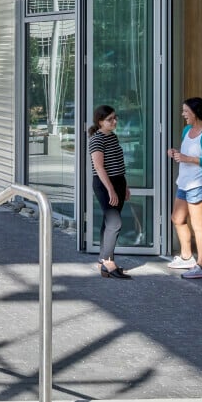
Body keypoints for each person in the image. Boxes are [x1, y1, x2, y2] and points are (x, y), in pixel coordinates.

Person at [169, 96, 202, 279]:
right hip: (184, 182)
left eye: (186, 111)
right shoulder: (187, 130)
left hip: (199, 184)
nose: (183, 114)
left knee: (198, 225)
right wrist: (176, 153)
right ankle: (186, 258)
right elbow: (188, 153)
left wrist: (187, 159)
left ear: (196, 113)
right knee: (177, 219)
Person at [87, 105, 131, 279]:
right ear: (100, 122)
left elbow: (118, 163)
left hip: (118, 181)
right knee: (115, 223)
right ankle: (108, 261)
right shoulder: (97, 140)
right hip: (105, 184)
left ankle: (102, 261)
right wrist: (111, 189)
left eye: (115, 117)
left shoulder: (112, 137)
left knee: (109, 222)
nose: (115, 121)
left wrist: (124, 186)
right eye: (110, 119)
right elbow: (99, 167)